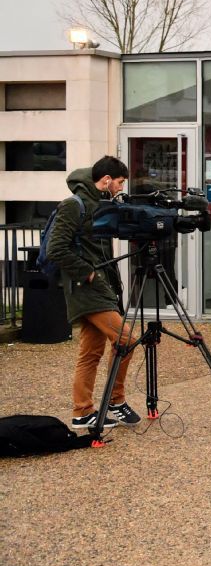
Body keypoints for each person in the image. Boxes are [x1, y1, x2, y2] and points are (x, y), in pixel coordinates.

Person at [47, 156, 141, 430]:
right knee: (126, 339)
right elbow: (56, 249)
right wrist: (88, 274)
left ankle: (82, 412)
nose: (121, 188)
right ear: (106, 180)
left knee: (91, 353)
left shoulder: (100, 203)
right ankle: (116, 401)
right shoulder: (72, 205)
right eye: (120, 182)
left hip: (99, 286)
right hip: (86, 288)